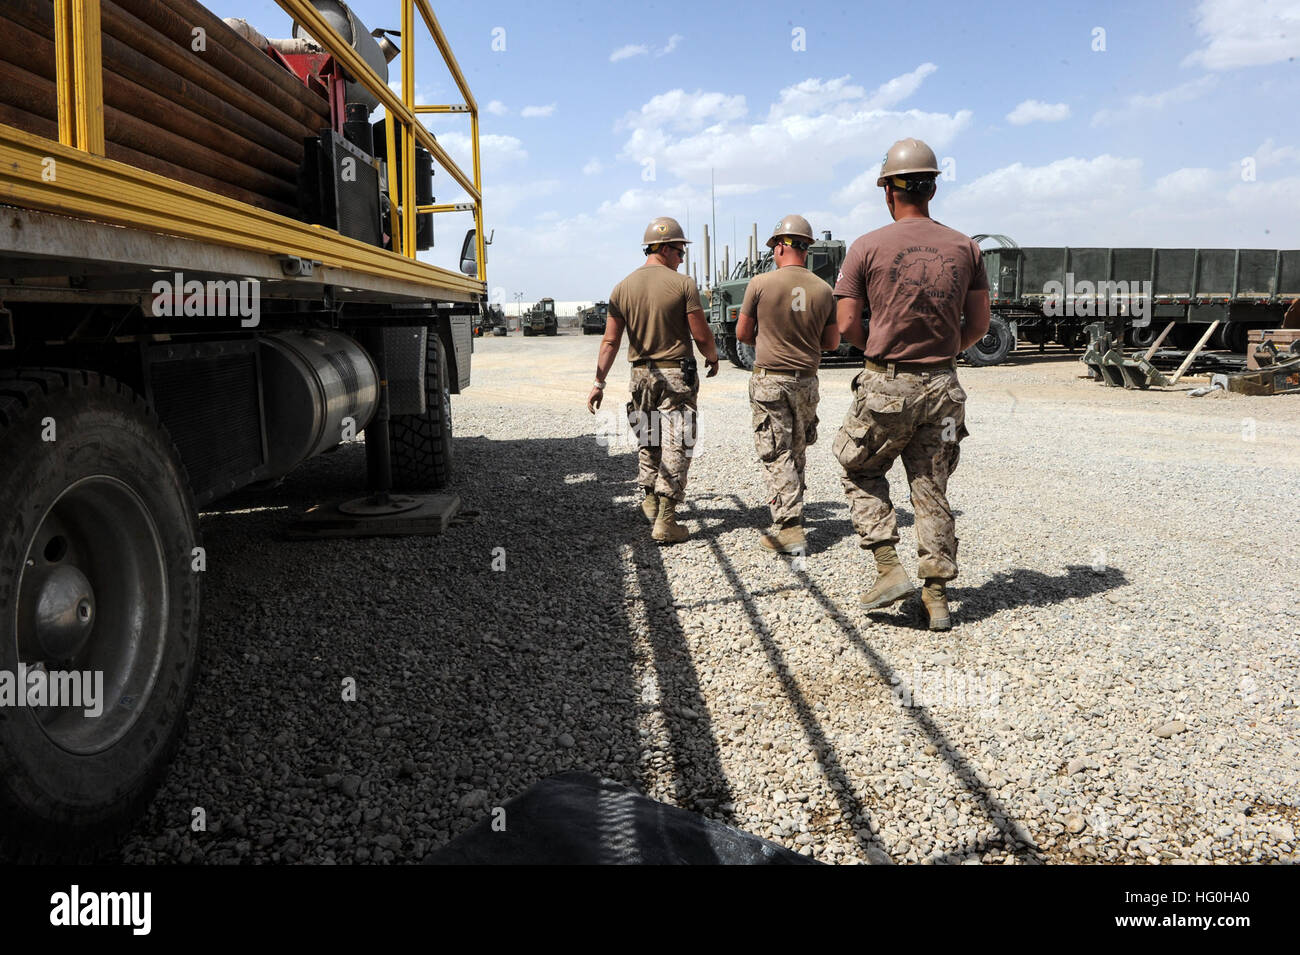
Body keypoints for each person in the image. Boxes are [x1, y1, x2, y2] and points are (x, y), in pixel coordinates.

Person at [831, 139, 991, 630]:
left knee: (857, 467)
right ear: (934, 186)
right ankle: (936, 596)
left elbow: (846, 325)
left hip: (887, 384)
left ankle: (888, 568)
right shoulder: (966, 247)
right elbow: (980, 325)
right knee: (931, 486)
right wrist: (941, 353)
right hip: (944, 386)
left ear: (887, 191)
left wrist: (880, 349)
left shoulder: (865, 247)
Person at [587, 217, 720, 544]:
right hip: (676, 373)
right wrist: (713, 357)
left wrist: (598, 383)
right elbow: (700, 334)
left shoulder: (622, 287)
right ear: (662, 248)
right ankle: (666, 519)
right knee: (679, 440)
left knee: (649, 435)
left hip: (641, 375)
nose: (682, 257)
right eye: (679, 250)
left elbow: (610, 342)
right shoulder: (683, 284)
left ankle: (649, 500)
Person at [736, 214, 838, 554]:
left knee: (776, 452)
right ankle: (794, 515)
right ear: (806, 249)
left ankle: (790, 528)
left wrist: (772, 335)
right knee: (796, 449)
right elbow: (832, 342)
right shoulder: (824, 289)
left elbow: (742, 334)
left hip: (770, 381)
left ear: (780, 246)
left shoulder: (760, 284)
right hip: (806, 382)